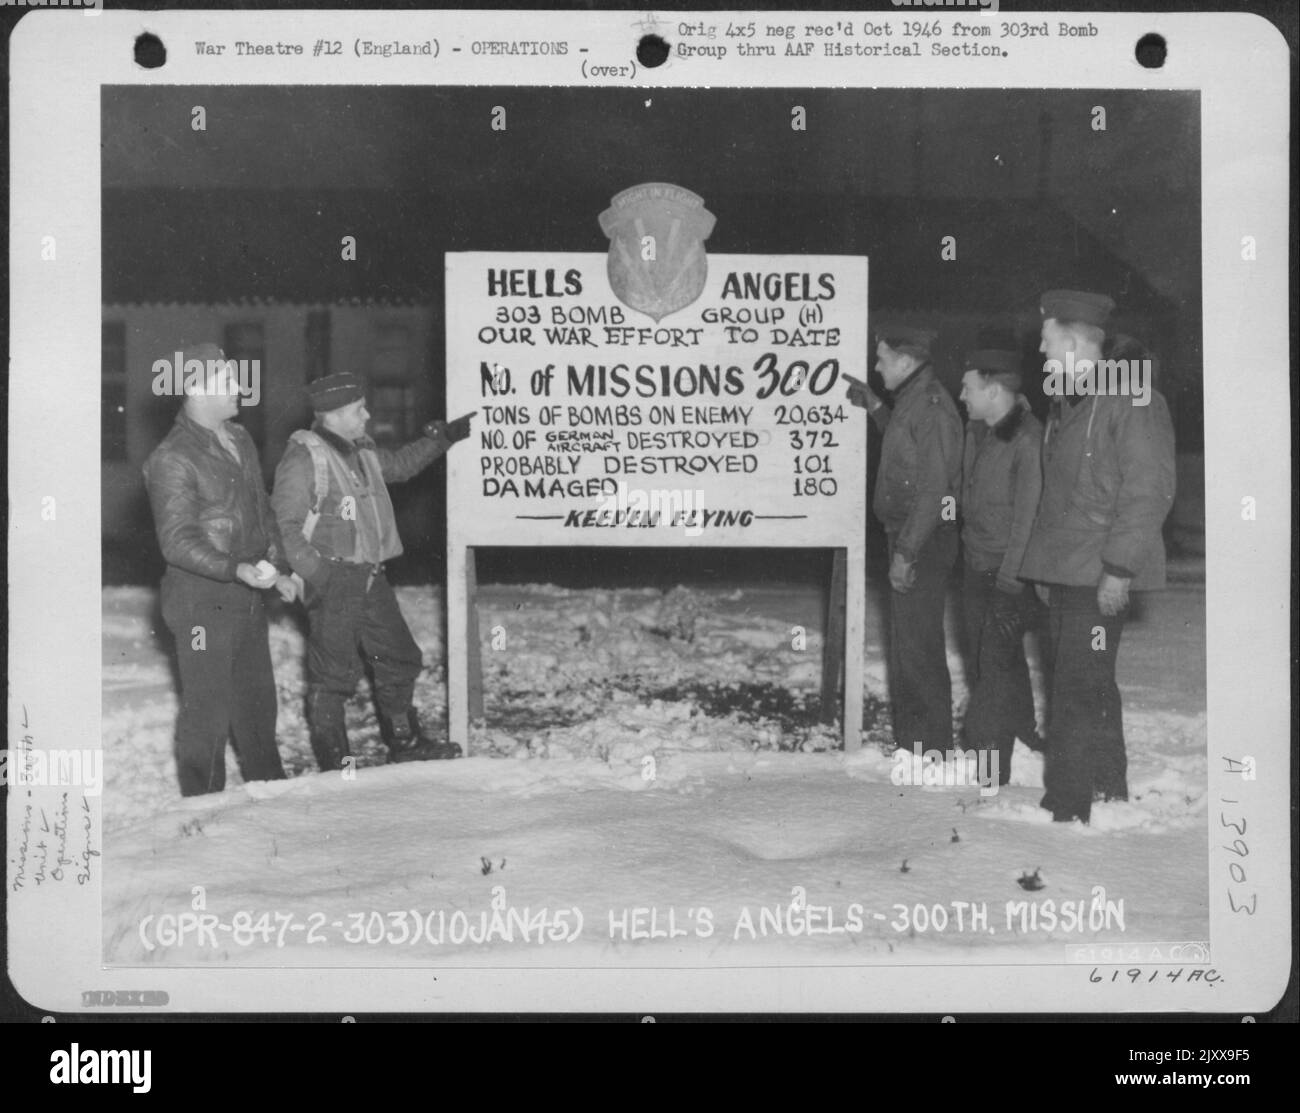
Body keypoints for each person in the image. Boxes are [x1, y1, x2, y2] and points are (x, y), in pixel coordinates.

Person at [1020, 290, 1176, 823]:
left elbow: (1149, 490)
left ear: (1071, 339)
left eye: (1046, 338)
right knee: (1087, 679)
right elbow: (1057, 495)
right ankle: (1108, 787)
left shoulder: (1133, 400)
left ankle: (1067, 805)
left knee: (1076, 686)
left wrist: (1120, 568)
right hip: (1068, 568)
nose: (1040, 349)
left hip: (1100, 568)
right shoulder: (1069, 399)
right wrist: (1045, 568)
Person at [271, 373, 473, 770]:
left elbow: (398, 466)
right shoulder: (303, 459)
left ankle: (405, 742)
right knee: (334, 677)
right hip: (334, 579)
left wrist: (442, 439)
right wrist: (320, 576)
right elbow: (285, 528)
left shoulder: (359, 451)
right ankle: (337, 767)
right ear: (334, 414)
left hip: (369, 575)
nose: (366, 414)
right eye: (357, 409)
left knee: (399, 658)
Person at [143, 344, 294, 796]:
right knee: (207, 713)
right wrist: (237, 568)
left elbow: (262, 511)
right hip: (200, 604)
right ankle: (202, 813)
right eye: (228, 382)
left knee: (257, 705)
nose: (240, 389)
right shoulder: (171, 458)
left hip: (244, 595)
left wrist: (279, 565)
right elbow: (177, 542)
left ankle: (270, 797)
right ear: (195, 388)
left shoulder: (240, 439)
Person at [847, 326, 962, 754]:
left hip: (923, 538)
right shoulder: (914, 401)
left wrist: (907, 551)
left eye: (882, 358)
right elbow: (903, 439)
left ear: (906, 361)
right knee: (909, 646)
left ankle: (929, 749)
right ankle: (915, 744)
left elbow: (934, 488)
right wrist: (876, 406)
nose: (876, 367)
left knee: (919, 649)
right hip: (912, 535)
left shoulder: (931, 405)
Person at [957, 349, 1043, 786]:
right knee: (991, 664)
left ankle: (992, 770)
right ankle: (1019, 740)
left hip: (1005, 577)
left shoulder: (1027, 441)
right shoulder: (986, 433)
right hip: (978, 567)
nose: (961, 395)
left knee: (993, 669)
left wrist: (1010, 586)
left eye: (968, 388)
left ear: (993, 391)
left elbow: (1027, 521)